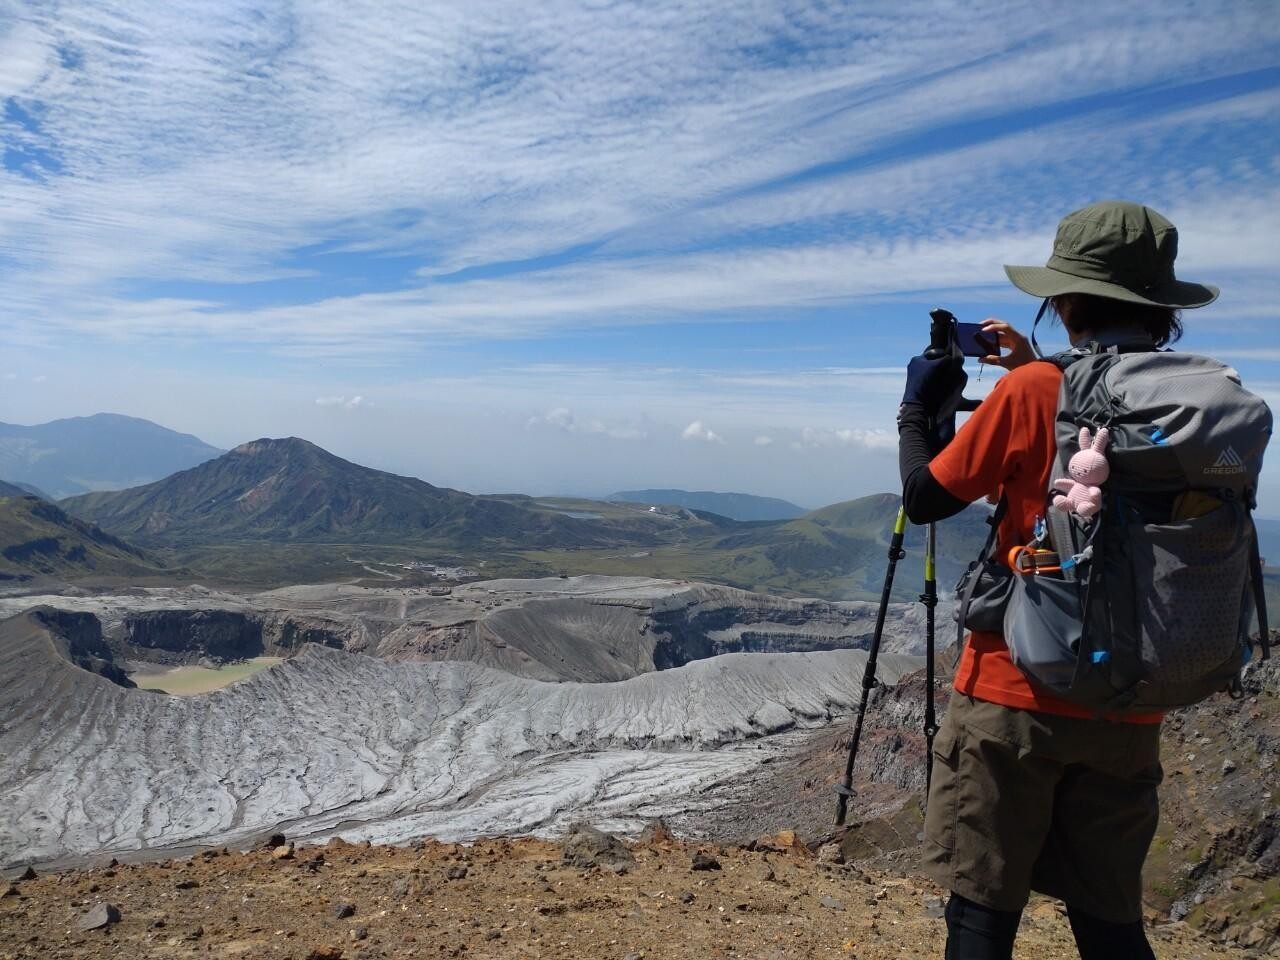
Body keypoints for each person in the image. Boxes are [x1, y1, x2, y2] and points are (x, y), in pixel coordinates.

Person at [895, 201, 1221, 960]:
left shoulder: (1033, 392)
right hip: (1133, 700)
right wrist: (1032, 373)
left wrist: (918, 408)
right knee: (1109, 923)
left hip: (1018, 696)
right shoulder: (1195, 403)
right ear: (1160, 307)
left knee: (982, 912)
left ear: (1066, 302)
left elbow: (926, 497)